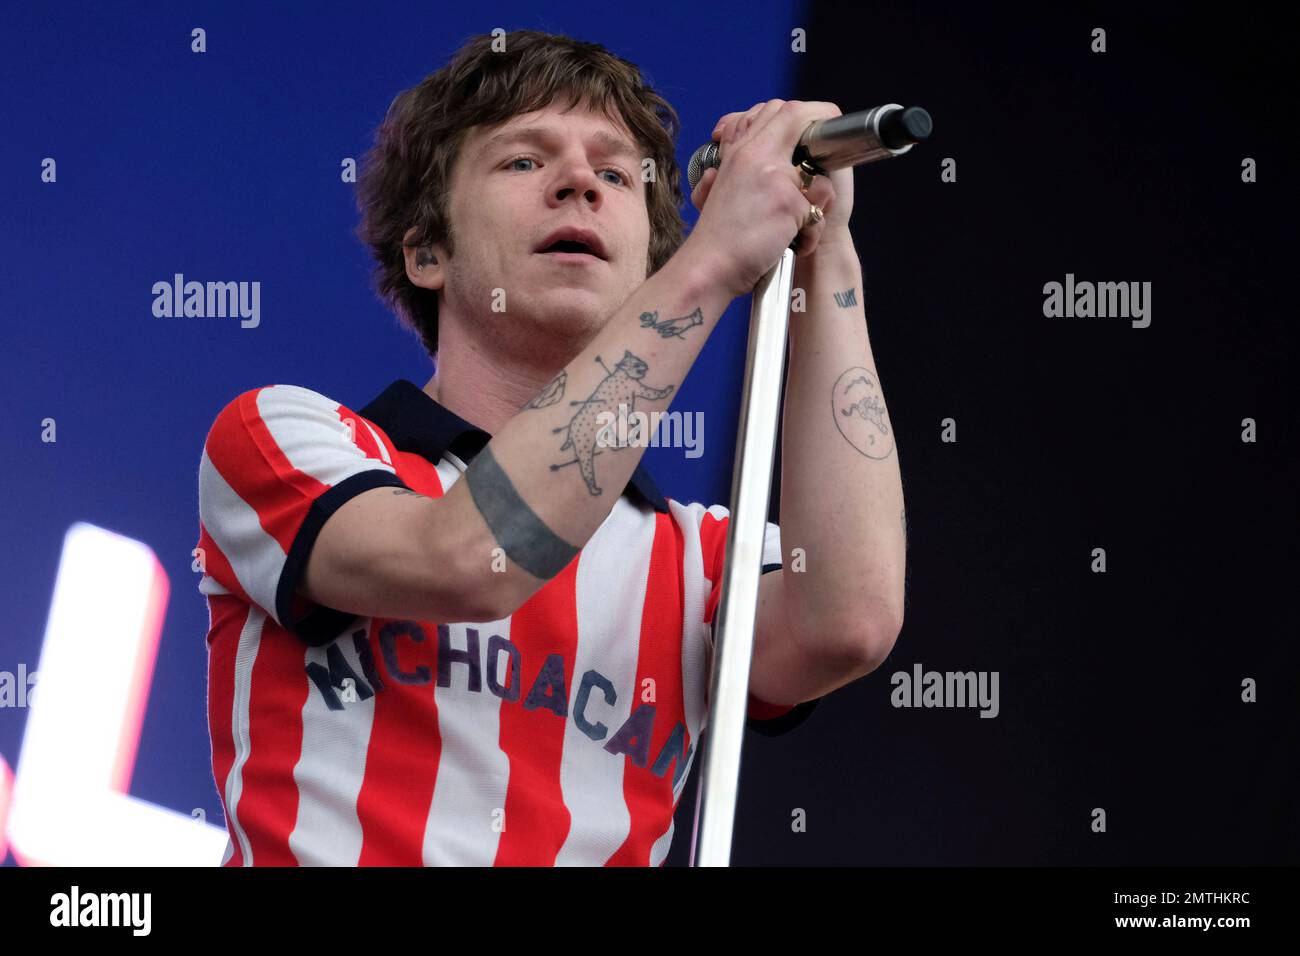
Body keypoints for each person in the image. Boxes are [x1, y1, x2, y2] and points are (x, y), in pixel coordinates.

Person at [195, 30, 906, 866]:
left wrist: (825, 253)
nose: (580, 183)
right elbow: (470, 558)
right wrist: (713, 261)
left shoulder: (703, 556)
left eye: (616, 174)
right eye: (525, 162)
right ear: (426, 251)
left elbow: (848, 626)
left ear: (648, 266)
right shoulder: (288, 437)